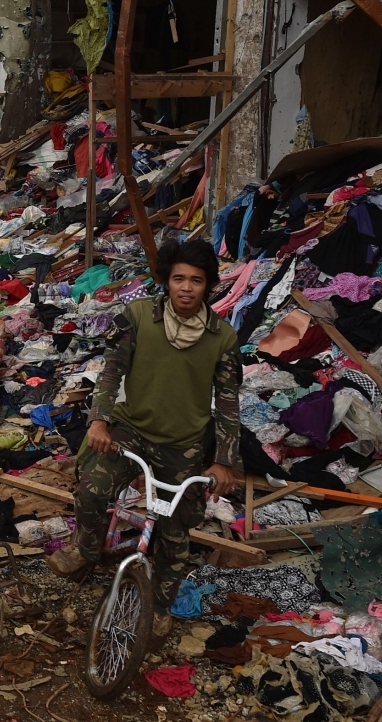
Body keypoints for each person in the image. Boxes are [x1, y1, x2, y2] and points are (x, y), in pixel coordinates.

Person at [48, 237, 242, 638]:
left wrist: (224, 460)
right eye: (179, 279)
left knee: (175, 533)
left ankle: (159, 606)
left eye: (197, 280)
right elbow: (111, 371)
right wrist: (99, 422)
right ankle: (86, 550)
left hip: (183, 444)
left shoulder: (222, 338)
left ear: (208, 286)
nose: (187, 288)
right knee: (93, 489)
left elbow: (227, 405)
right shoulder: (136, 316)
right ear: (166, 281)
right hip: (131, 429)